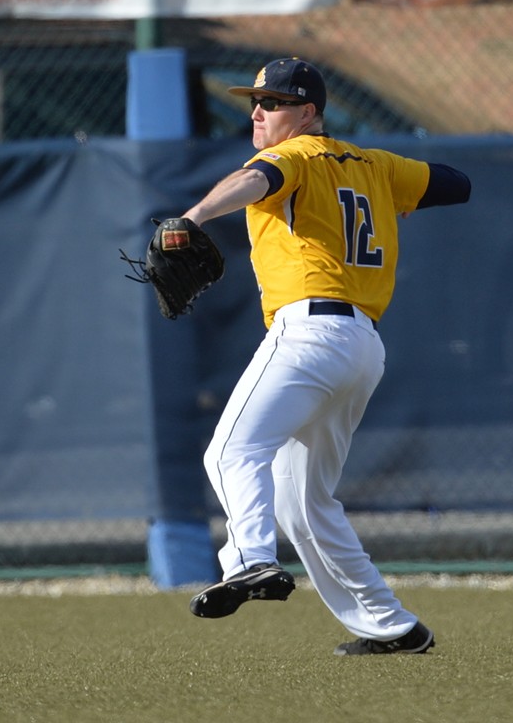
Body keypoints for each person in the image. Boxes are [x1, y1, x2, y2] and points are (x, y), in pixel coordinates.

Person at [180, 57, 471, 656]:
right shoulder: (376, 166)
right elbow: (455, 183)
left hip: (308, 335)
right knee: (305, 502)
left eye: (275, 103)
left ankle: (250, 561)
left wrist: (193, 216)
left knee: (232, 449)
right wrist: (386, 181)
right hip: (363, 347)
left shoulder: (289, 157)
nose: (258, 112)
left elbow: (256, 181)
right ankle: (393, 627)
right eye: (255, 102)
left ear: (308, 112)